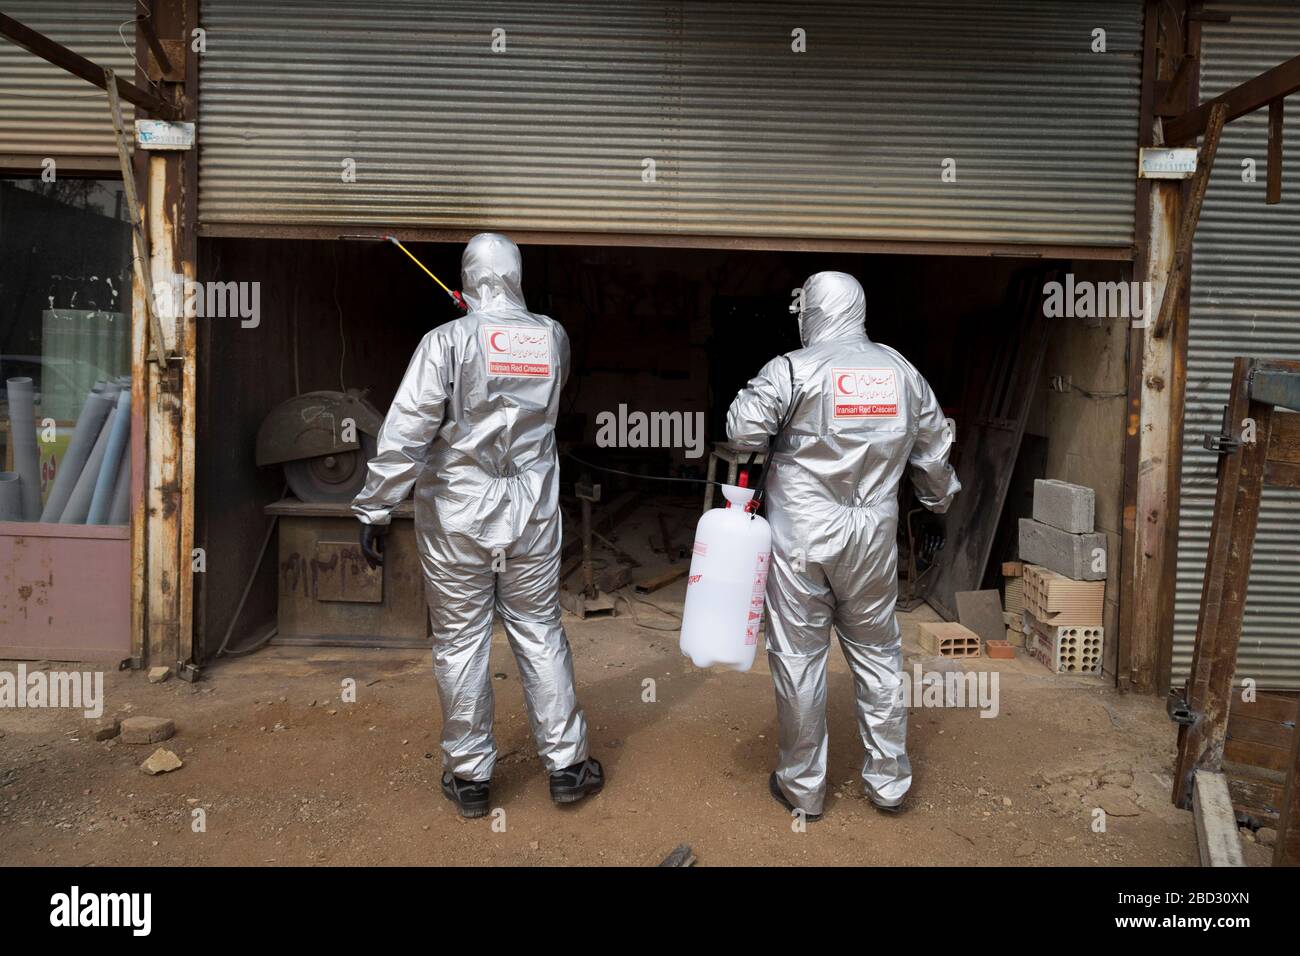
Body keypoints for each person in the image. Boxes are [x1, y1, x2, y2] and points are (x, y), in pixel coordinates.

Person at [352, 232, 602, 818]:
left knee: (461, 641)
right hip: (531, 513)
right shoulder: (552, 336)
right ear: (516, 275)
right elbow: (545, 402)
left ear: (467, 279)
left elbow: (409, 429)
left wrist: (375, 505)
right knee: (540, 632)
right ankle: (567, 768)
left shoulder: (445, 341)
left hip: (459, 516)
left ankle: (470, 778)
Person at [726, 271, 959, 820]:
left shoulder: (790, 369)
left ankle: (803, 787)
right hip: (872, 537)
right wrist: (936, 498)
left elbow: (741, 433)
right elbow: (933, 451)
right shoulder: (902, 371)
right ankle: (889, 784)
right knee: (879, 653)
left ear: (812, 312)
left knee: (800, 658)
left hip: (802, 536)